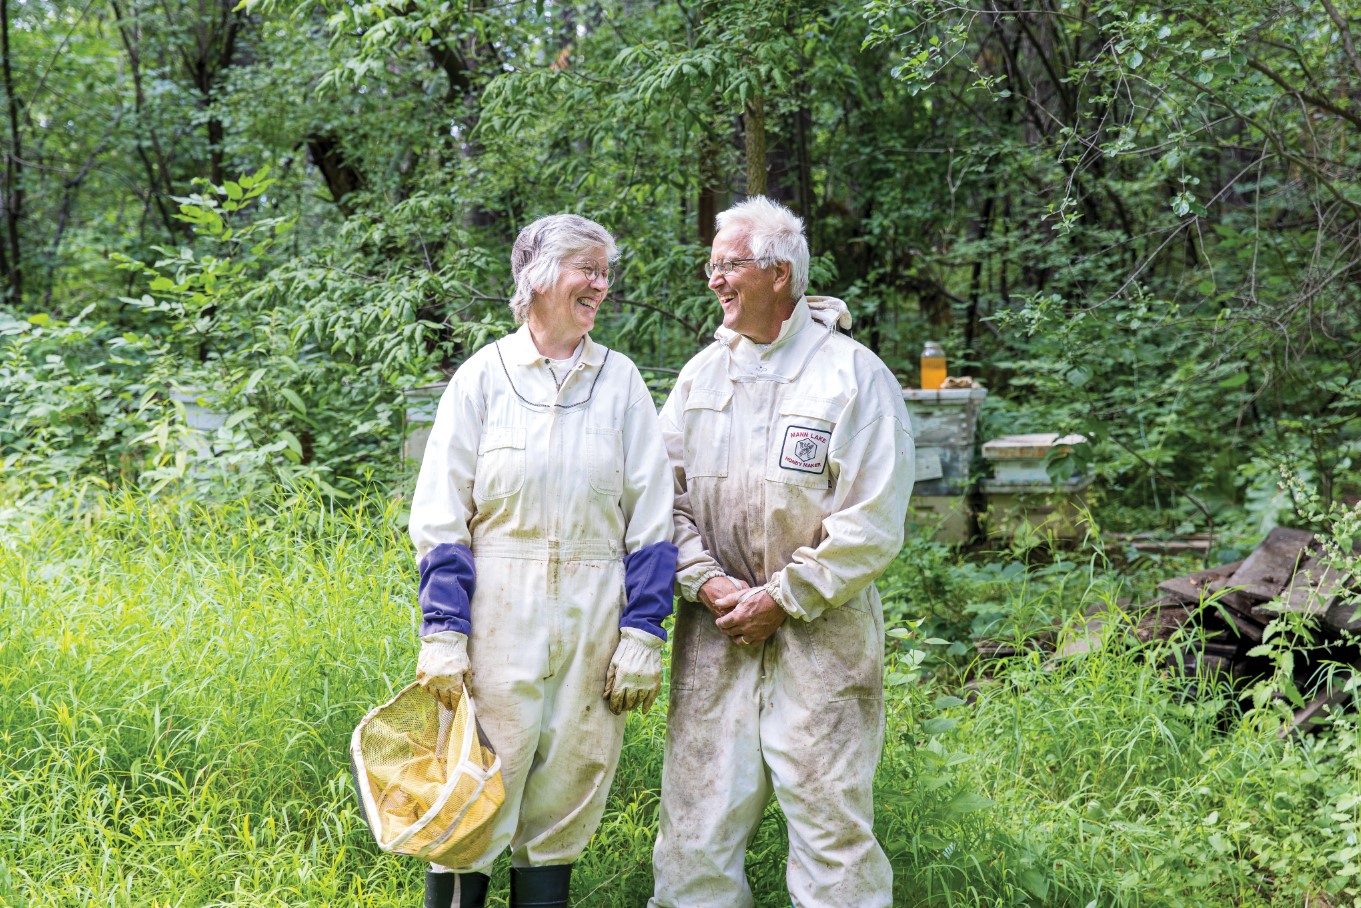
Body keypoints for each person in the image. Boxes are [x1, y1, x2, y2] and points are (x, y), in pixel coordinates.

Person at [649, 196, 915, 908]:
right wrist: (706, 584)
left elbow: (873, 522)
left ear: (777, 272)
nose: (713, 279)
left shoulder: (853, 378)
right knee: (696, 826)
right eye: (711, 266)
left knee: (830, 825)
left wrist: (782, 597)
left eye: (727, 264)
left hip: (820, 636)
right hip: (716, 632)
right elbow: (656, 499)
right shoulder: (700, 378)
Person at [409, 214, 677, 908]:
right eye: (586, 268)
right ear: (537, 278)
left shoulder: (620, 383)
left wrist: (645, 632)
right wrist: (443, 633)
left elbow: (650, 521)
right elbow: (441, 519)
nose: (601, 283)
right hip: (497, 609)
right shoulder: (481, 379)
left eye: (604, 271)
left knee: (564, 802)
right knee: (470, 797)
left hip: (595, 612)